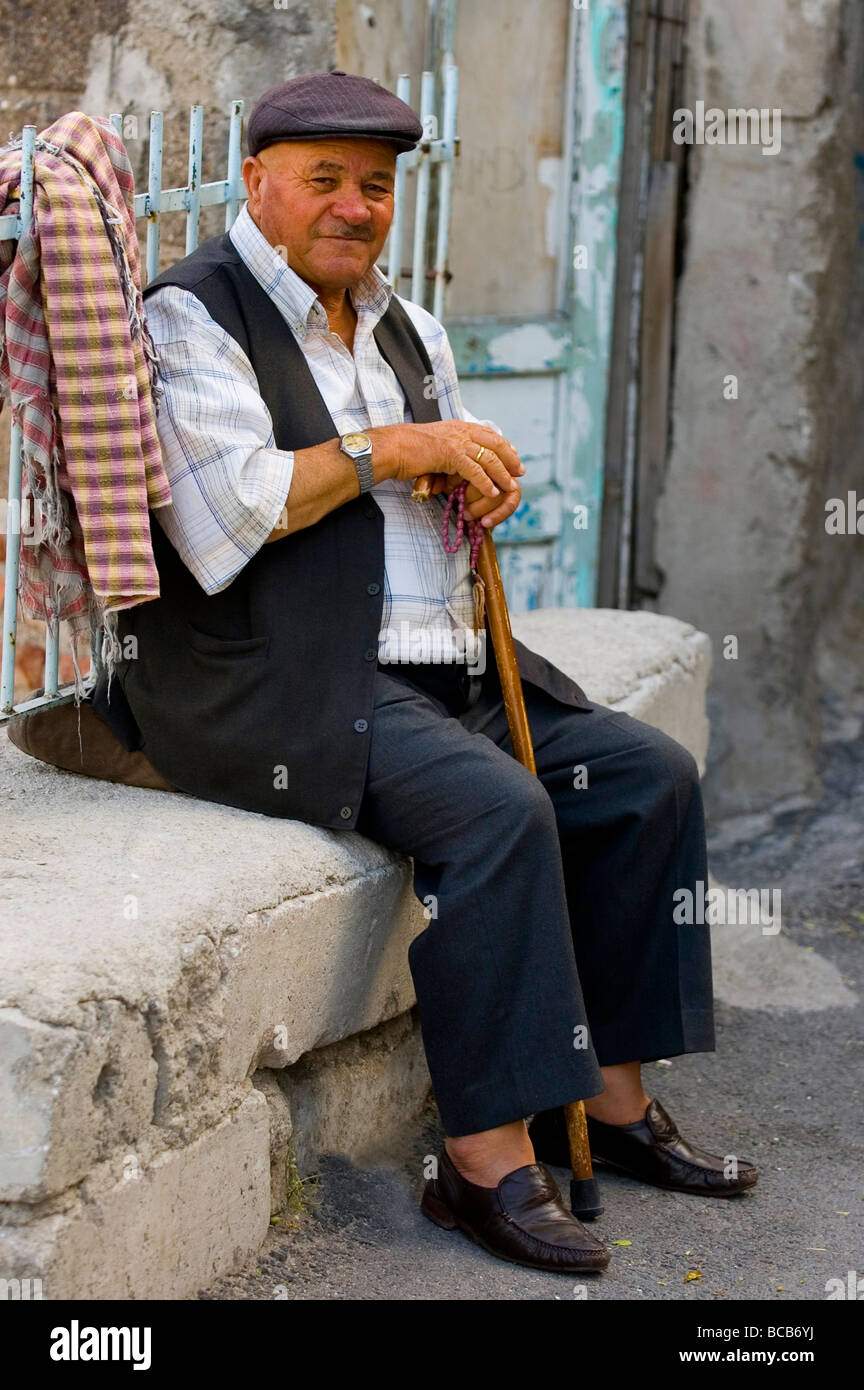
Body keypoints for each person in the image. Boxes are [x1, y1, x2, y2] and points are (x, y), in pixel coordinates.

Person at [94, 70, 757, 1276]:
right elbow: (225, 517)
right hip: (275, 681)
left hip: (433, 656)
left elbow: (439, 473)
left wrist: (475, 478)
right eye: (326, 181)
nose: (355, 207)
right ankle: (484, 1162)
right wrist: (399, 447)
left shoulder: (406, 324)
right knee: (500, 813)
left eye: (377, 186)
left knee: (642, 776)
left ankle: (606, 1104)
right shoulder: (195, 314)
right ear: (258, 183)